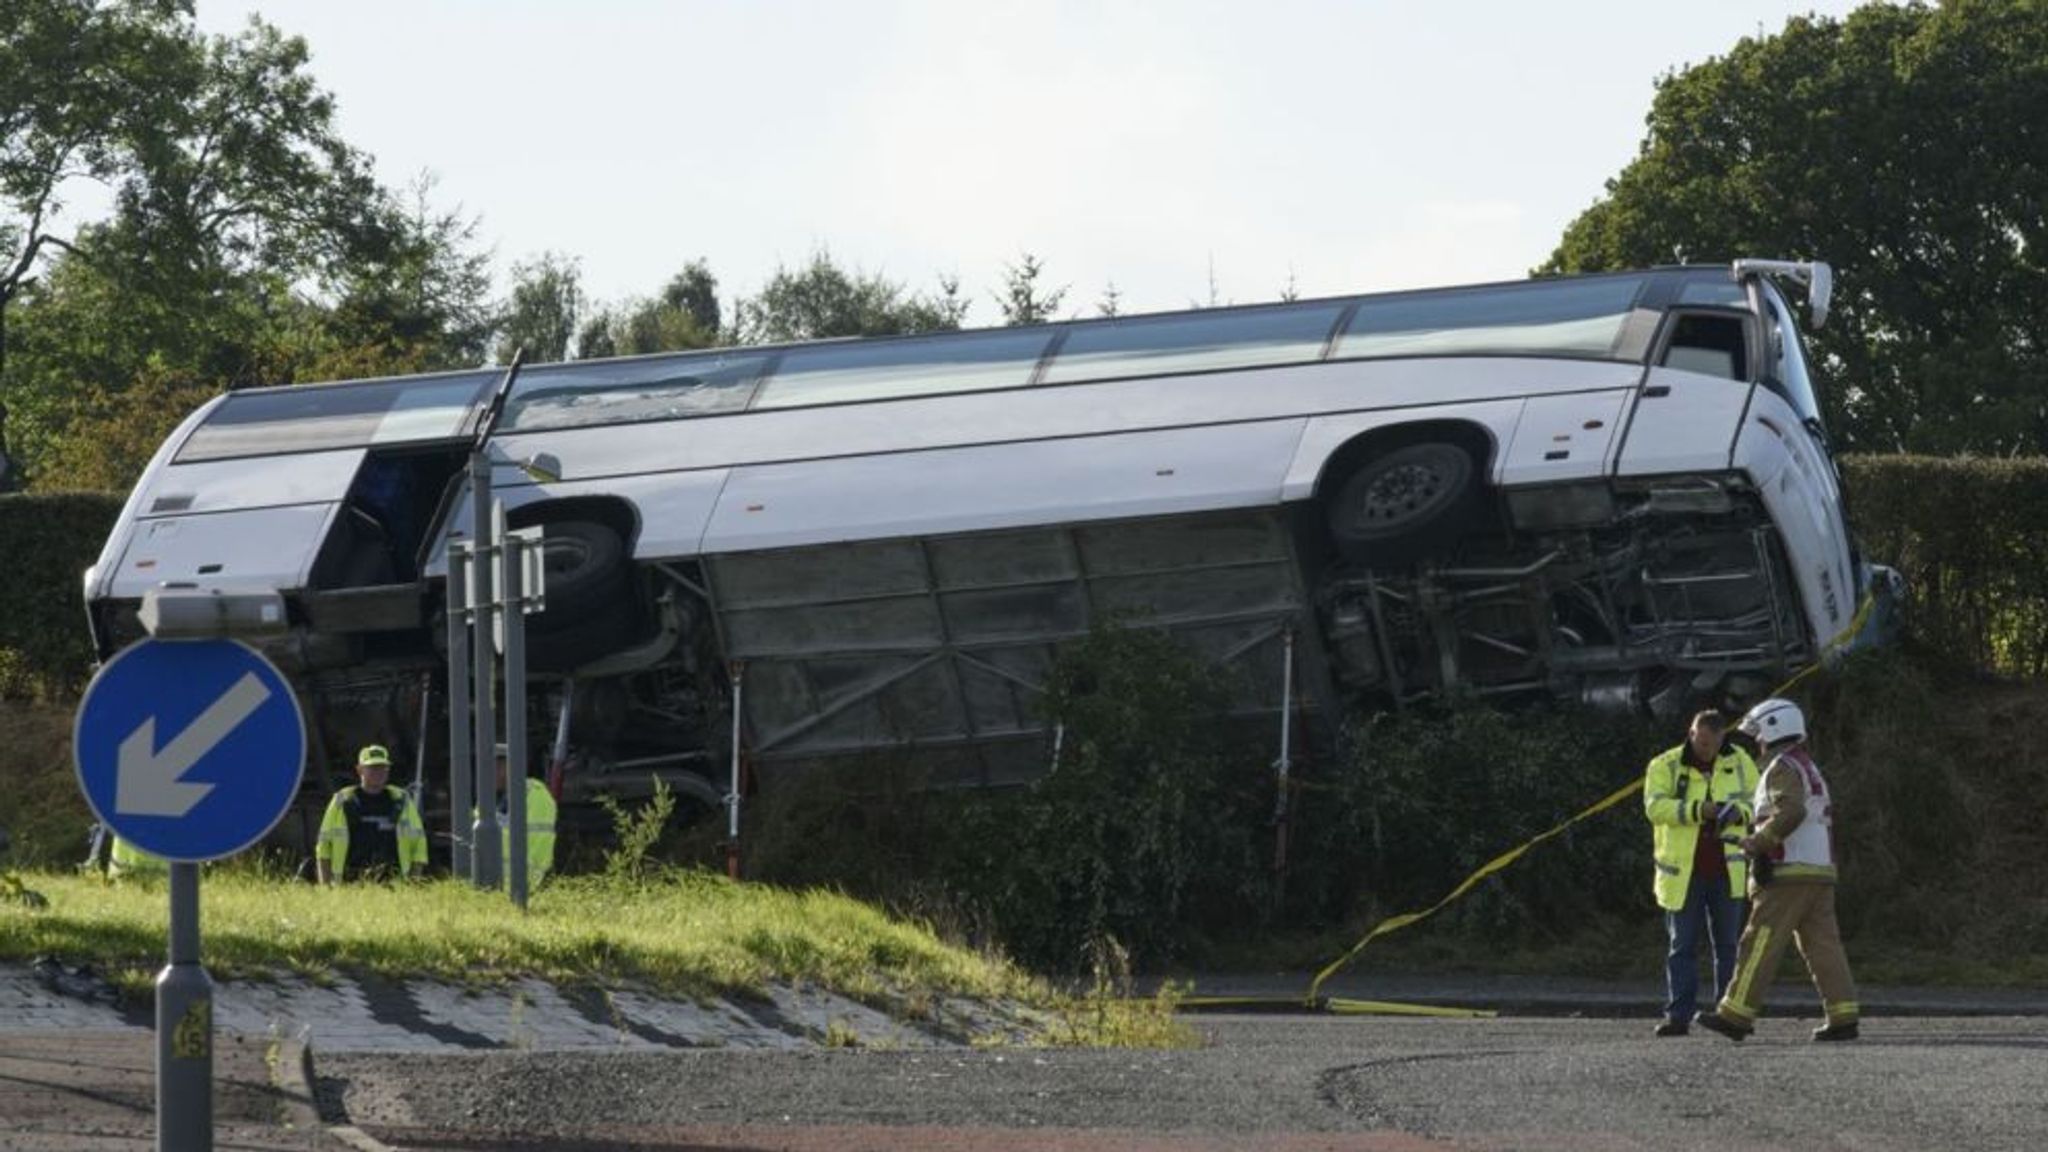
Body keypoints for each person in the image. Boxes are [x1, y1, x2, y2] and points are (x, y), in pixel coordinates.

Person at [1696, 698, 1860, 1042]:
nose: (1756, 742)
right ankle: (1843, 1015)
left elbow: (1792, 811)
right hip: (1819, 870)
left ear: (1773, 728)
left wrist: (1759, 841)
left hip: (1788, 871)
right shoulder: (1807, 766)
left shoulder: (1781, 768)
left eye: (1757, 735)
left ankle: (1735, 1015)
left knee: (1759, 941)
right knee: (1824, 946)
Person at [1642, 709, 1759, 1036]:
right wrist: (1699, 810)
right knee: (1682, 946)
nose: (1703, 748)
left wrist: (1739, 811)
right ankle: (1678, 1015)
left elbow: (1759, 802)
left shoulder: (1740, 762)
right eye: (1699, 740)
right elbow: (1654, 807)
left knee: (1728, 946)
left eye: (1710, 743)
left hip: (1727, 870)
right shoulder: (1664, 765)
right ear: (1691, 732)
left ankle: (1730, 1014)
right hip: (1684, 873)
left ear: (1723, 737)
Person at [316, 744, 428, 883]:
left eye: (383, 768)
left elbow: (419, 846)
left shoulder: (402, 801)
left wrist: (414, 882)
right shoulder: (342, 801)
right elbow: (324, 847)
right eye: (373, 768)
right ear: (359, 770)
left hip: (394, 883)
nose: (379, 772)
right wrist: (325, 887)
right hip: (350, 884)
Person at [489, 743, 558, 890]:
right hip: (513, 883)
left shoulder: (533, 794)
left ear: (508, 766)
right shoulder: (504, 798)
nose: (489, 774)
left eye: (495, 767)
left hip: (523, 884)